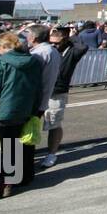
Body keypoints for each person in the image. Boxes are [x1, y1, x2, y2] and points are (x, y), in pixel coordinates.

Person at [0, 32, 42, 201]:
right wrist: (33, 111)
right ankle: (7, 184)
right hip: (22, 113)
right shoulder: (34, 63)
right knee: (12, 149)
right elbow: (37, 90)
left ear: (3, 47)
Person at [22, 25, 61, 187]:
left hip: (35, 101)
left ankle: (24, 173)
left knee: (25, 140)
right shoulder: (52, 51)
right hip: (41, 99)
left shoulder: (39, 53)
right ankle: (26, 172)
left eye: (27, 36)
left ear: (33, 38)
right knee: (28, 138)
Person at [41, 25, 84, 167]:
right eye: (51, 42)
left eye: (57, 42)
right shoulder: (47, 50)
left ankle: (51, 153)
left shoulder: (72, 51)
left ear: (65, 39)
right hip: (40, 91)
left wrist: (73, 35)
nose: (53, 45)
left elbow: (82, 47)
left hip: (57, 92)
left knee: (53, 123)